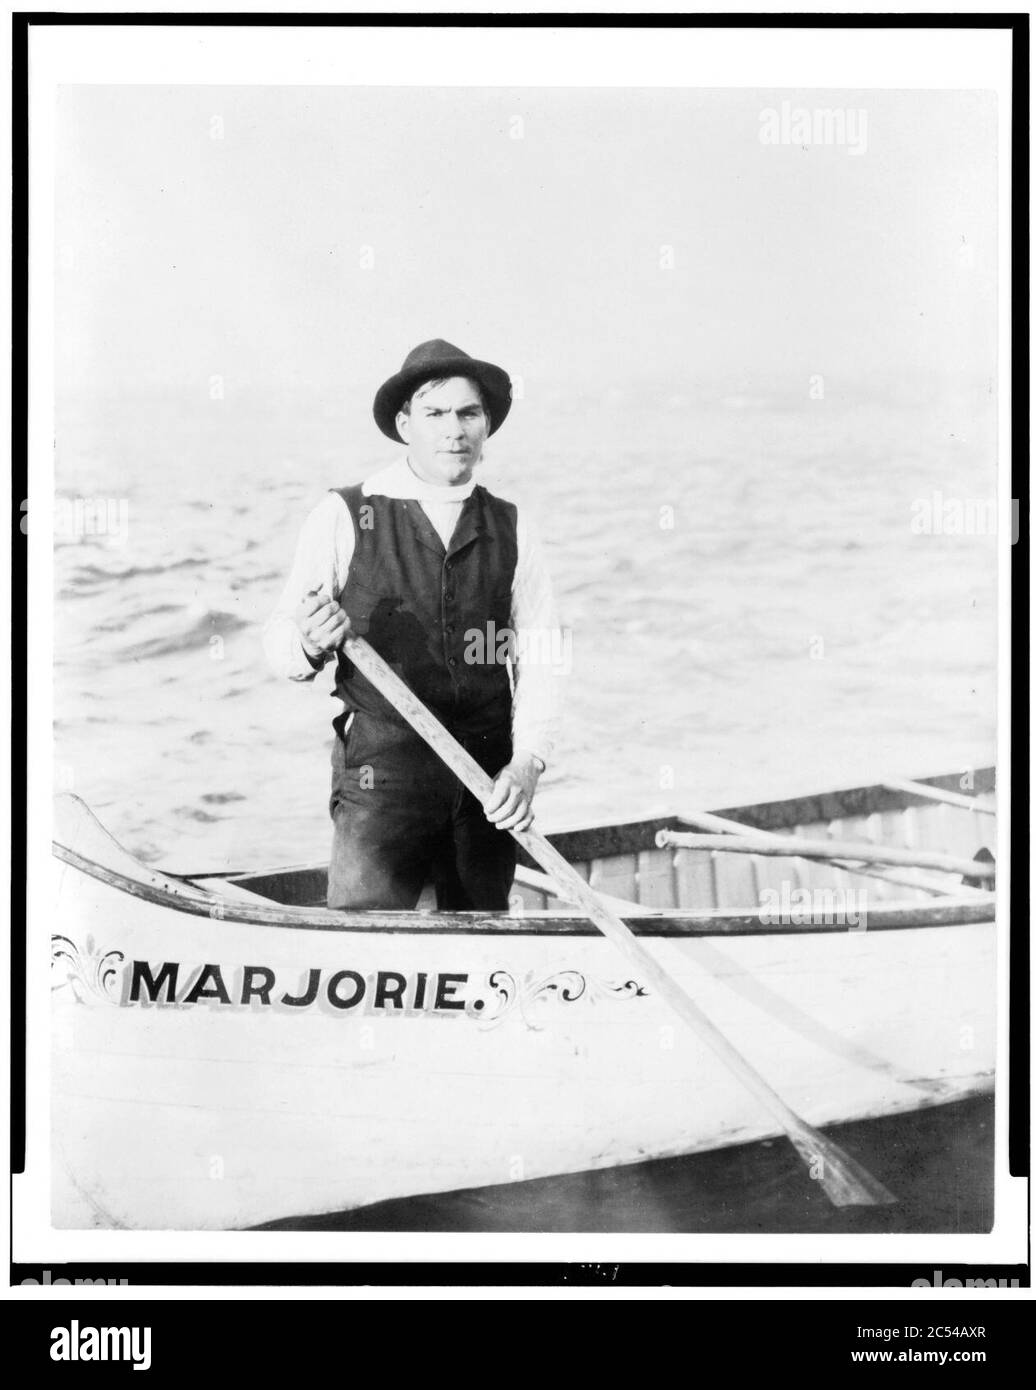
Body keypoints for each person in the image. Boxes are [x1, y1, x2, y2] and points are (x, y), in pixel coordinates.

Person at [264, 339, 562, 911]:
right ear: (405, 425)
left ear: (486, 424)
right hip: (383, 781)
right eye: (436, 414)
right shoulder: (346, 514)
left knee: (482, 960)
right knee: (363, 954)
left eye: (469, 413)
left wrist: (527, 765)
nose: (455, 430)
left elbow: (543, 659)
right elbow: (279, 642)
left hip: (487, 784)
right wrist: (308, 641)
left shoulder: (512, 525)